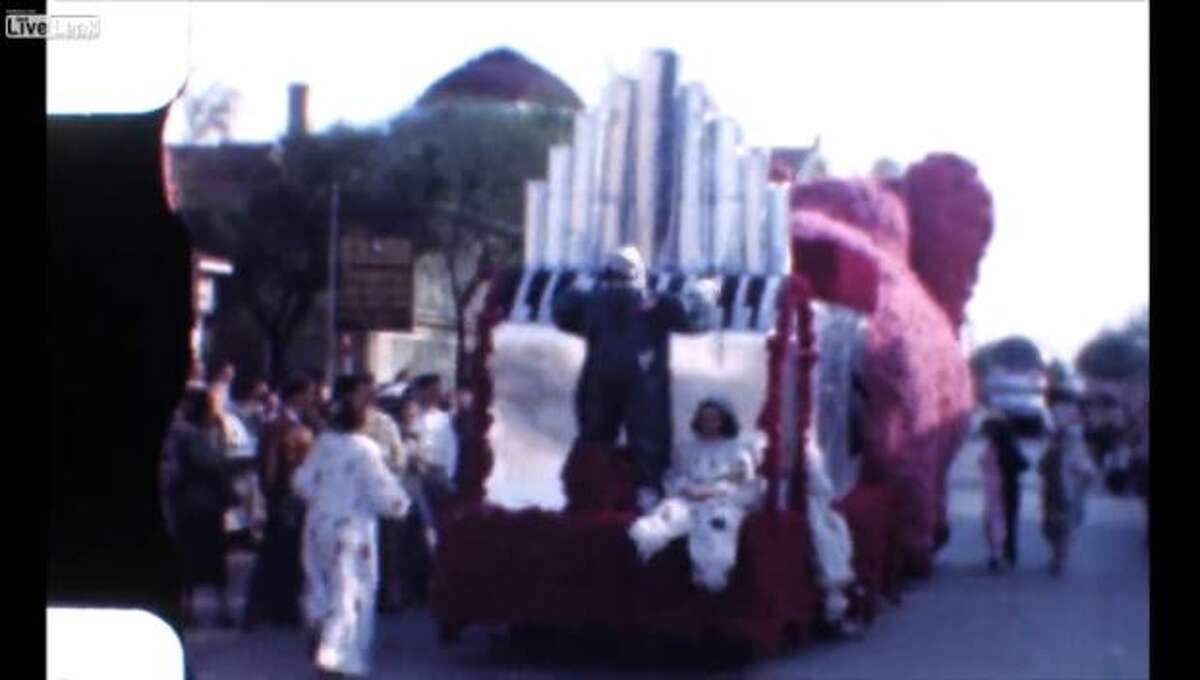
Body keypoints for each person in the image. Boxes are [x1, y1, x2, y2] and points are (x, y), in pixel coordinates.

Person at [552, 245, 720, 512]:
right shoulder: (657, 303)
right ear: (640, 275)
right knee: (648, 442)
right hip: (645, 386)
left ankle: (590, 499)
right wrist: (706, 292)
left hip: (598, 381)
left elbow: (562, 311)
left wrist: (581, 284)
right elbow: (695, 319)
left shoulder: (593, 303)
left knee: (595, 440)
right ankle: (648, 495)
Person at [294, 373, 412, 679]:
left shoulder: (323, 444)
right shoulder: (366, 451)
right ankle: (336, 659)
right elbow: (388, 497)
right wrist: (401, 506)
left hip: (318, 525)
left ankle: (318, 626)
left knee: (320, 585)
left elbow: (301, 482)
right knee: (351, 595)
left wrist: (325, 497)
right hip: (352, 532)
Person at [628, 398, 766, 592]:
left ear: (724, 420)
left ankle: (712, 574)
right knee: (662, 522)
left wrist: (716, 491)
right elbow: (673, 476)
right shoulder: (687, 447)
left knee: (717, 532)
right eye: (705, 419)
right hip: (688, 499)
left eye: (714, 419)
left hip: (721, 503)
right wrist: (686, 489)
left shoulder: (738, 449)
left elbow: (748, 486)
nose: (709, 423)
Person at [242, 374, 317, 630]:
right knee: (276, 551)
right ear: (297, 395)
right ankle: (265, 609)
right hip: (285, 495)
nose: (312, 398)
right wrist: (273, 494)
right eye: (308, 393)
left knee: (287, 553)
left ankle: (281, 607)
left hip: (296, 495)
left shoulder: (303, 422)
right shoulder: (279, 425)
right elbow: (271, 464)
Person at [162, 386, 239, 627]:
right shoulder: (189, 434)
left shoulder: (189, 432)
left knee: (194, 559)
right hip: (199, 502)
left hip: (190, 503)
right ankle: (212, 610)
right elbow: (210, 463)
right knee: (206, 559)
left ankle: (191, 610)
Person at [1037, 386, 1098, 575]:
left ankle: (1059, 556)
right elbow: (1050, 445)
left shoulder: (1078, 425)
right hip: (1057, 477)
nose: (1064, 409)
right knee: (1055, 520)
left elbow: (1083, 451)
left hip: (1069, 479)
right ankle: (1058, 555)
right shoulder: (1053, 421)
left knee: (1063, 519)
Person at [980, 411, 1031, 570]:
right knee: (1004, 522)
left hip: (1003, 488)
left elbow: (1022, 464)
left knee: (999, 521)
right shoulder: (999, 446)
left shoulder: (1004, 447)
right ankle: (1006, 554)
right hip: (1001, 488)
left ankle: (1001, 555)